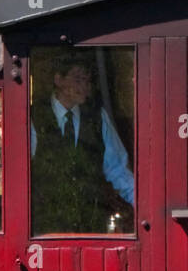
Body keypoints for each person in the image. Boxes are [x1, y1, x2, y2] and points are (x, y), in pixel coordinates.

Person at [29, 54, 135, 234]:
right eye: (78, 79)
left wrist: (143, 205)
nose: (84, 87)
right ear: (58, 79)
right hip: (45, 228)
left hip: (90, 226)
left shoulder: (97, 117)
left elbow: (117, 168)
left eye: (87, 81)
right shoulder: (33, 117)